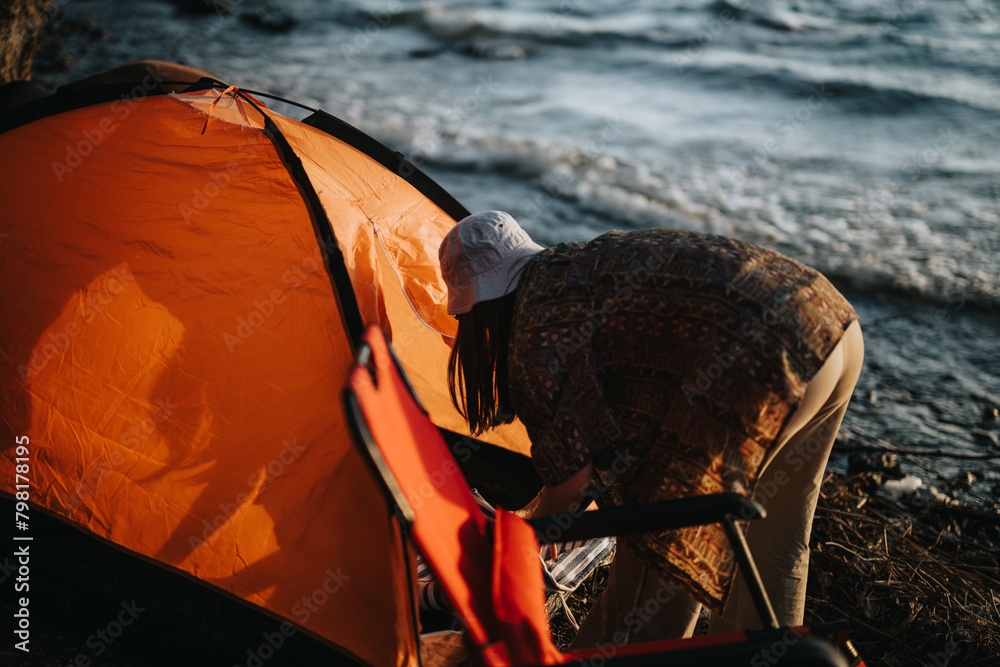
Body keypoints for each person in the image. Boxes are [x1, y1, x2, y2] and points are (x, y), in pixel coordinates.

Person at [438, 210, 864, 646]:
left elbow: (572, 488)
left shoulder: (533, 329)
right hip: (830, 323)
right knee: (773, 543)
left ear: (477, 312)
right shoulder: (575, 265)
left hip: (759, 365)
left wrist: (519, 536)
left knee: (654, 578)